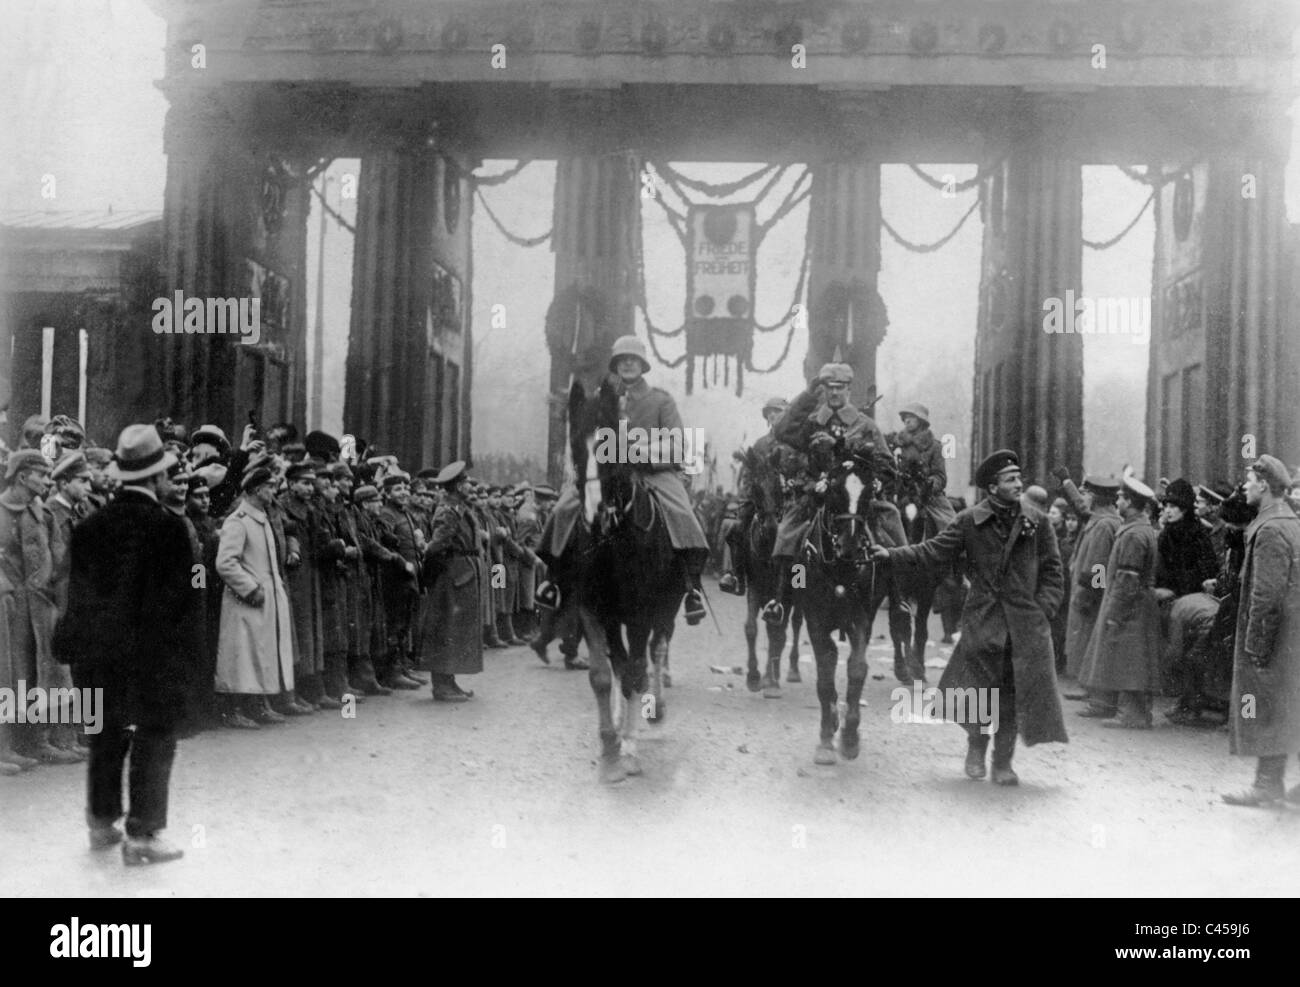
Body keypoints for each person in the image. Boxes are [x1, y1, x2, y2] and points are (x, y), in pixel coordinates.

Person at [872, 449, 1066, 785]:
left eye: (1019, 477)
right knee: (977, 690)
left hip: (1024, 626)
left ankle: (1002, 762)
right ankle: (976, 748)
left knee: (1012, 693)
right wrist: (891, 554)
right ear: (993, 487)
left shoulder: (1038, 521)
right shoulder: (969, 521)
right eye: (1010, 479)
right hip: (984, 619)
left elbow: (1053, 571)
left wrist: (1043, 609)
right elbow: (931, 551)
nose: (1019, 483)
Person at [52, 424, 196, 864]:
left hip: (96, 654)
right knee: (155, 736)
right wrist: (185, 661)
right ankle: (144, 835)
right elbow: (179, 606)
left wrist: (72, 645)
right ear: (154, 479)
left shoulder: (89, 526)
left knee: (104, 737)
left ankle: (101, 823)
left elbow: (75, 595)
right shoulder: (170, 529)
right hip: (151, 656)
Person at [763, 361, 891, 625]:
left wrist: (872, 479)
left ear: (849, 389)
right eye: (829, 388)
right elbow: (782, 430)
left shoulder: (866, 425)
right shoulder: (811, 423)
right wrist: (808, 396)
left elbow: (887, 465)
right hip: (815, 495)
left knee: (894, 527)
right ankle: (787, 594)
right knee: (788, 538)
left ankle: (898, 595)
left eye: (840, 388)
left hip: (855, 498)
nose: (834, 393)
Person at [1222, 456, 1300, 807]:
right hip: (1291, 634)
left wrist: (1255, 646)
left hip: (1273, 635)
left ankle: (1267, 786)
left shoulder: (1269, 530)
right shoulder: (1290, 522)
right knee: (1285, 706)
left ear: (1265, 485)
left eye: (1249, 480)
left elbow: (1266, 596)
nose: (1245, 486)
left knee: (1264, 705)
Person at [1078, 474, 1163, 729]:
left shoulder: (1134, 534)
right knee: (1126, 657)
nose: (1118, 501)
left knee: (1131, 660)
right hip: (1136, 602)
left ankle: (1132, 714)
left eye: (1122, 498)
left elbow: (1128, 578)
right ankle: (1124, 709)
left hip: (1131, 604)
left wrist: (1115, 612)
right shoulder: (1137, 529)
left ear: (1131, 502)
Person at [214, 466, 297, 727]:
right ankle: (234, 710)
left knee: (261, 653)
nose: (274, 491)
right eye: (270, 487)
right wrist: (250, 589)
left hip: (266, 597)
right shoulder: (238, 521)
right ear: (254, 490)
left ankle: (259, 705)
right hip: (246, 600)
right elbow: (225, 563)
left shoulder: (261, 517)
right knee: (240, 656)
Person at [0, 450, 61, 770]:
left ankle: (37, 742)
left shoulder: (40, 510)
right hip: (10, 606)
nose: (47, 480)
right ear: (22, 476)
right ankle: (4, 747)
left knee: (39, 674)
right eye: (41, 474)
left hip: (39, 604)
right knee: (8, 677)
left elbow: (55, 552)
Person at [1053, 470, 1123, 711]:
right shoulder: (1099, 518)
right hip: (1090, 593)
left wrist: (1091, 595)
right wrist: (1066, 482)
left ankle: (1100, 699)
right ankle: (1091, 691)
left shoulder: (1104, 525)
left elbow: (1100, 565)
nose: (1083, 498)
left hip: (1092, 597)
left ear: (1095, 497)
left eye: (1086, 493)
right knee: (1086, 644)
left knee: (1093, 645)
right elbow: (1081, 507)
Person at [417, 462, 486, 701]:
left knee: (456, 631)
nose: (469, 486)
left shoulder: (459, 507)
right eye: (466, 482)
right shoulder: (448, 510)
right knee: (447, 629)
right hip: (452, 577)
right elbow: (436, 546)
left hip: (462, 574)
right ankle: (441, 685)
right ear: (457, 486)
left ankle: (449, 680)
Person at [720, 396, 789, 595]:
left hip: (791, 499)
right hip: (763, 500)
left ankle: (798, 584)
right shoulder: (759, 444)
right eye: (770, 413)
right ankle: (737, 577)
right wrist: (752, 492)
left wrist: (792, 483)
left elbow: (804, 468)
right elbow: (749, 474)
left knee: (802, 538)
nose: (774, 415)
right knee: (737, 529)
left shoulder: (795, 442)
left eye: (778, 411)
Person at [885, 402, 956, 536]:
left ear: (921, 421)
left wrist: (927, 486)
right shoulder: (895, 444)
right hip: (899, 494)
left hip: (927, 496)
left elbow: (940, 476)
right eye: (905, 417)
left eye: (912, 416)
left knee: (949, 525)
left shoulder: (935, 446)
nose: (907, 420)